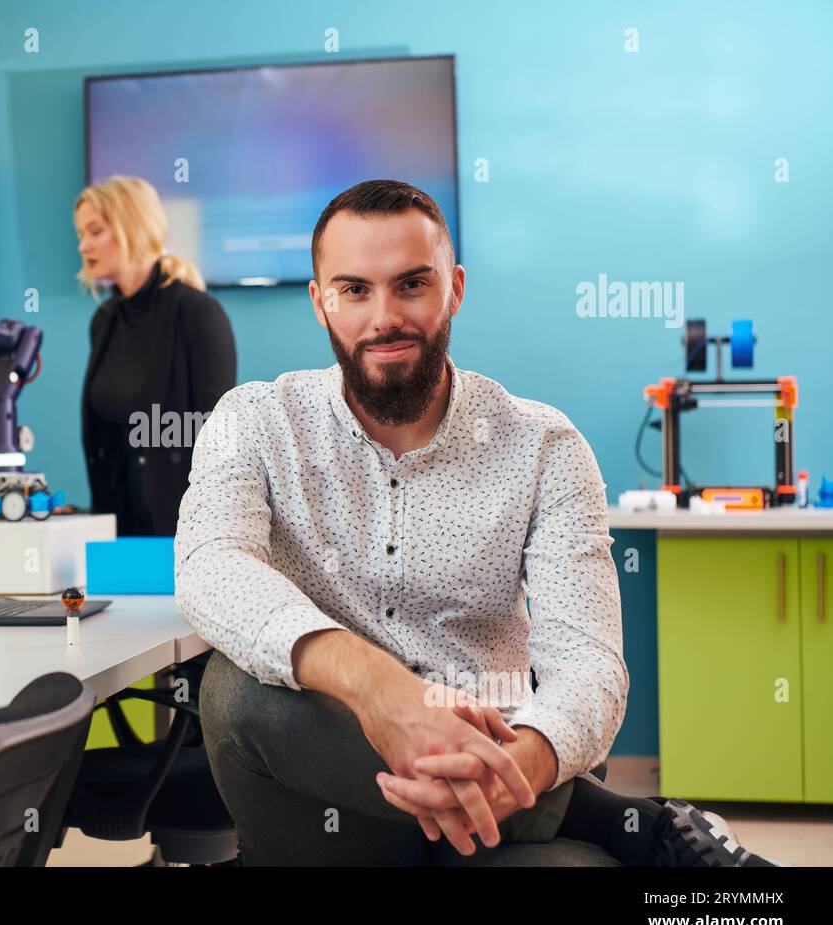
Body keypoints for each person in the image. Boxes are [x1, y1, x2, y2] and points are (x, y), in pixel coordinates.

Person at [175, 180, 773, 866]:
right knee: (234, 694)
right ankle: (616, 822)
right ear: (320, 301)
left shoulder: (545, 445)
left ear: (454, 288)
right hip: (320, 824)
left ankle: (568, 820)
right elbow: (209, 566)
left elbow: (590, 665)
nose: (384, 317)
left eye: (411, 285)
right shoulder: (254, 421)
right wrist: (379, 687)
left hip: (506, 805)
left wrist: (527, 763)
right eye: (354, 290)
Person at [76, 176, 236, 536]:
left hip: (185, 527)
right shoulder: (104, 322)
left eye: (95, 231)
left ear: (132, 225)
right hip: (118, 525)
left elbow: (215, 433)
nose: (84, 246)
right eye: (80, 235)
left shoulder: (197, 313)